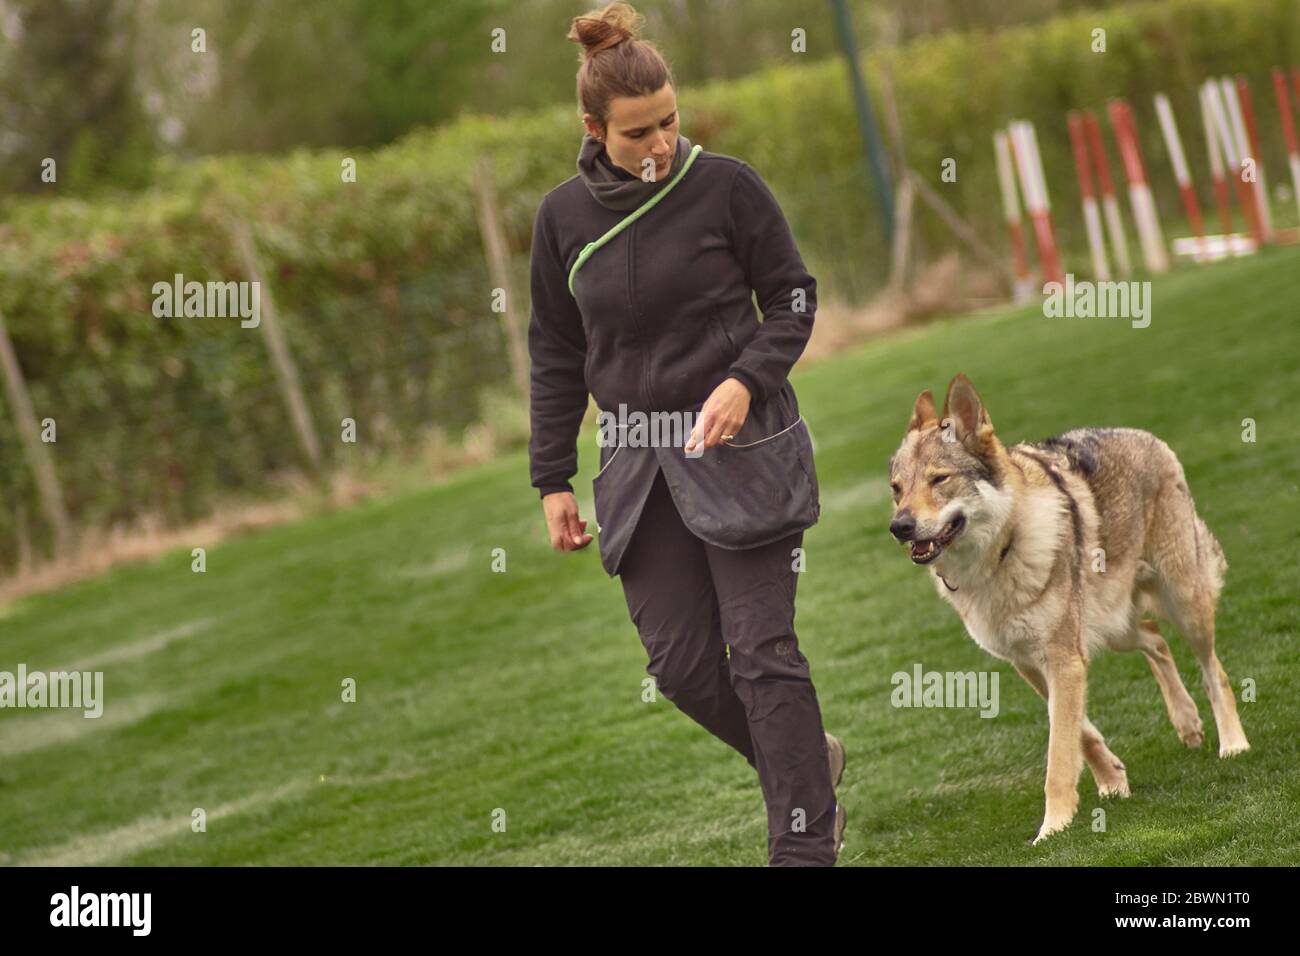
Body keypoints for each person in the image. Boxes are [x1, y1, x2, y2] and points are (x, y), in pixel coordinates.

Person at [527, 1, 845, 866]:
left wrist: (748, 378)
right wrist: (552, 477)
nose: (661, 144)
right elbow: (555, 351)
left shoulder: (728, 186)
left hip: (740, 449)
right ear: (594, 130)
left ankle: (803, 844)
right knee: (681, 668)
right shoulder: (561, 219)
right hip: (637, 468)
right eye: (638, 133)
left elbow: (794, 297)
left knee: (763, 653)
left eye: (670, 121)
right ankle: (808, 770)